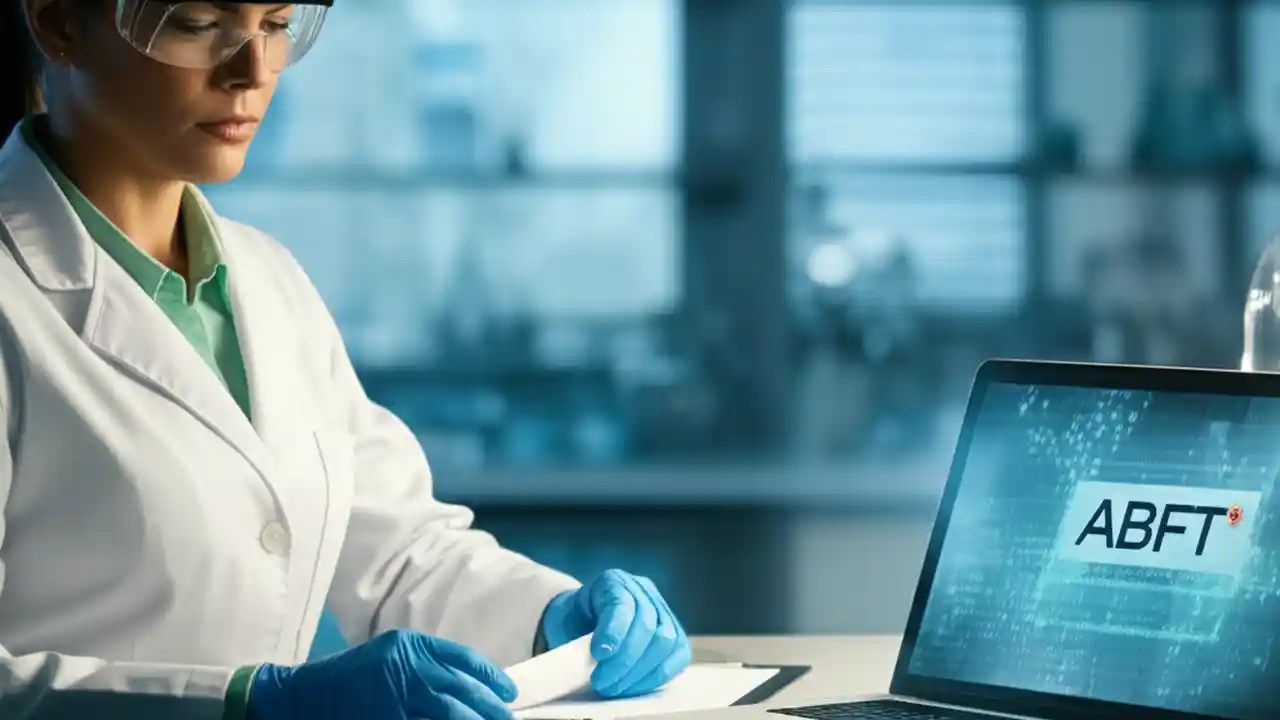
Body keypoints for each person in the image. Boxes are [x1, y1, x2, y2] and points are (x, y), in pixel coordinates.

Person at [0, 1, 692, 718]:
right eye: (199, 24)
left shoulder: (269, 280)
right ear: (57, 24)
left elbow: (396, 557)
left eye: (275, 24)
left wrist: (555, 616)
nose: (253, 71)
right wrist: (253, 704)